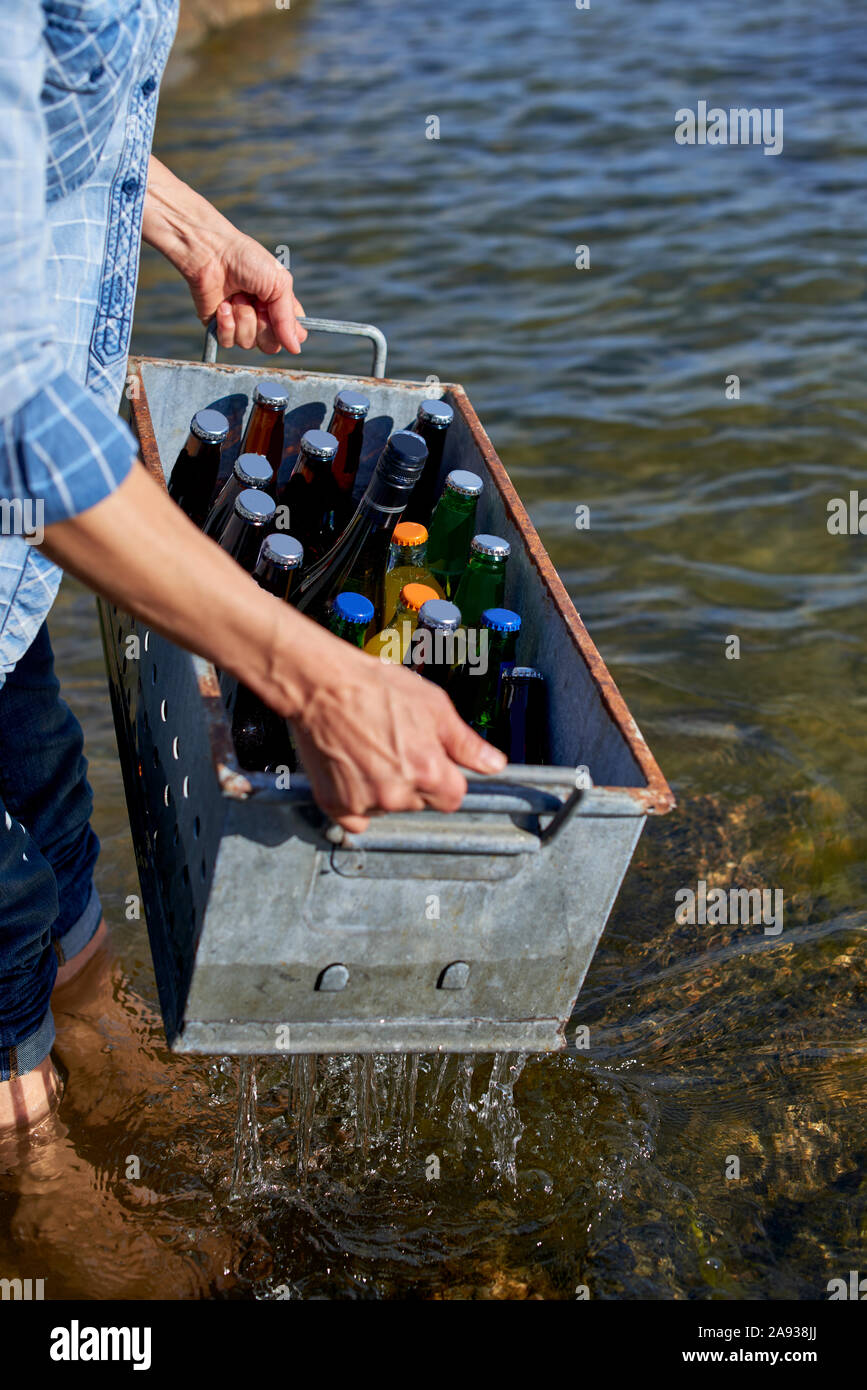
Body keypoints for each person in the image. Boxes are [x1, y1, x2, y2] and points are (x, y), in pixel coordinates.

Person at [0, 0, 505, 1137]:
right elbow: (11, 417)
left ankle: (109, 1070)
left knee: (58, 838)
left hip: (13, 559)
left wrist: (184, 224)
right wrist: (317, 678)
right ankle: (40, 1183)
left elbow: (45, 104)